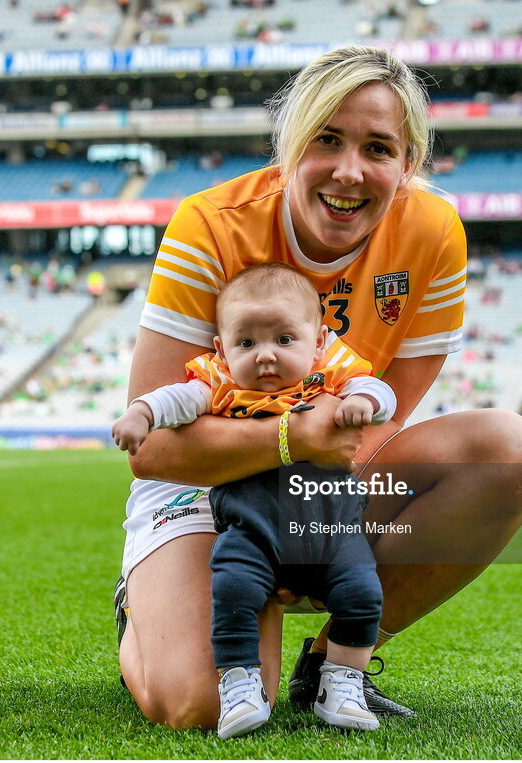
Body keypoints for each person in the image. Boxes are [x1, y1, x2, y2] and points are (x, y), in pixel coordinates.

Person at [116, 44, 522, 730]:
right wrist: (286, 441)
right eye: (327, 140)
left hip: (325, 477)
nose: (350, 171)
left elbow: (384, 417)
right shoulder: (210, 224)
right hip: (203, 482)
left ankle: (332, 663)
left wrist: (306, 510)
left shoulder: (433, 232)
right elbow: (153, 452)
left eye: (378, 148)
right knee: (193, 703)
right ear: (291, 145)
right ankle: (147, 601)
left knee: (507, 448)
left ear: (407, 164)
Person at [112, 263, 396, 737]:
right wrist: (141, 414)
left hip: (326, 525)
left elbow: (377, 389)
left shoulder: (330, 376)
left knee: (362, 593)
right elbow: (174, 399)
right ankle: (239, 682)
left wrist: (364, 402)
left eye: (285, 340)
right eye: (248, 343)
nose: (266, 356)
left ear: (319, 341)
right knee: (235, 589)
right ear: (222, 349)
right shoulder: (220, 384)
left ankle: (341, 679)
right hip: (251, 528)